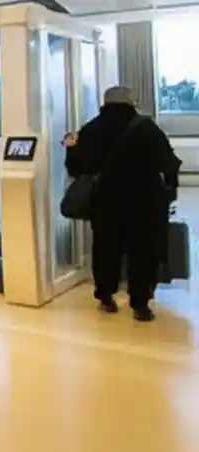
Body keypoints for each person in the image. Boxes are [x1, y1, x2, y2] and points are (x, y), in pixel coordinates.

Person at [65, 85, 181, 322]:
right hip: (145, 200)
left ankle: (106, 296)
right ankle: (140, 303)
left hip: (105, 200)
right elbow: (169, 163)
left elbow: (75, 167)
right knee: (143, 250)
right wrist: (170, 191)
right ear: (131, 102)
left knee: (106, 247)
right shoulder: (146, 127)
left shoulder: (90, 129)